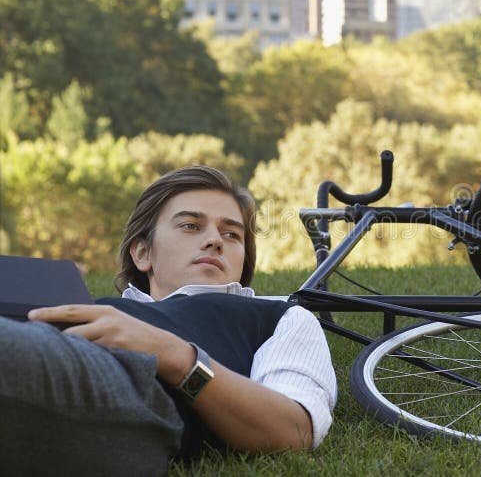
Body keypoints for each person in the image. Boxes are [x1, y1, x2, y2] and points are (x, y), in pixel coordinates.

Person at [0, 166, 336, 476]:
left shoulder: (279, 317)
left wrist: (177, 356)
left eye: (232, 235)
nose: (215, 240)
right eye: (191, 225)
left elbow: (294, 429)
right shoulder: (104, 307)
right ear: (142, 253)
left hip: (131, 392)